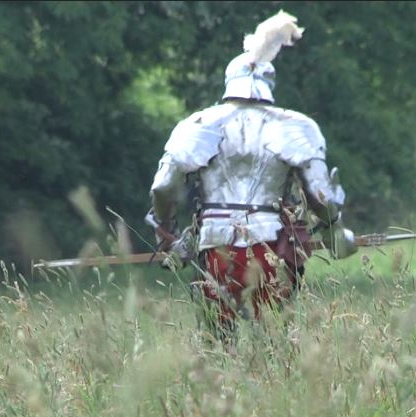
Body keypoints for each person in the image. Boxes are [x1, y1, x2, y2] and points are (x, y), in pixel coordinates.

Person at [145, 11, 357, 343]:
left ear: (228, 82)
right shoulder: (295, 125)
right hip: (272, 248)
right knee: (274, 345)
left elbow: (163, 186)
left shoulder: (198, 124)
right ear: (270, 84)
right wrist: (334, 227)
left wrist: (167, 231)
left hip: (216, 248)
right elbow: (321, 195)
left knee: (217, 344)